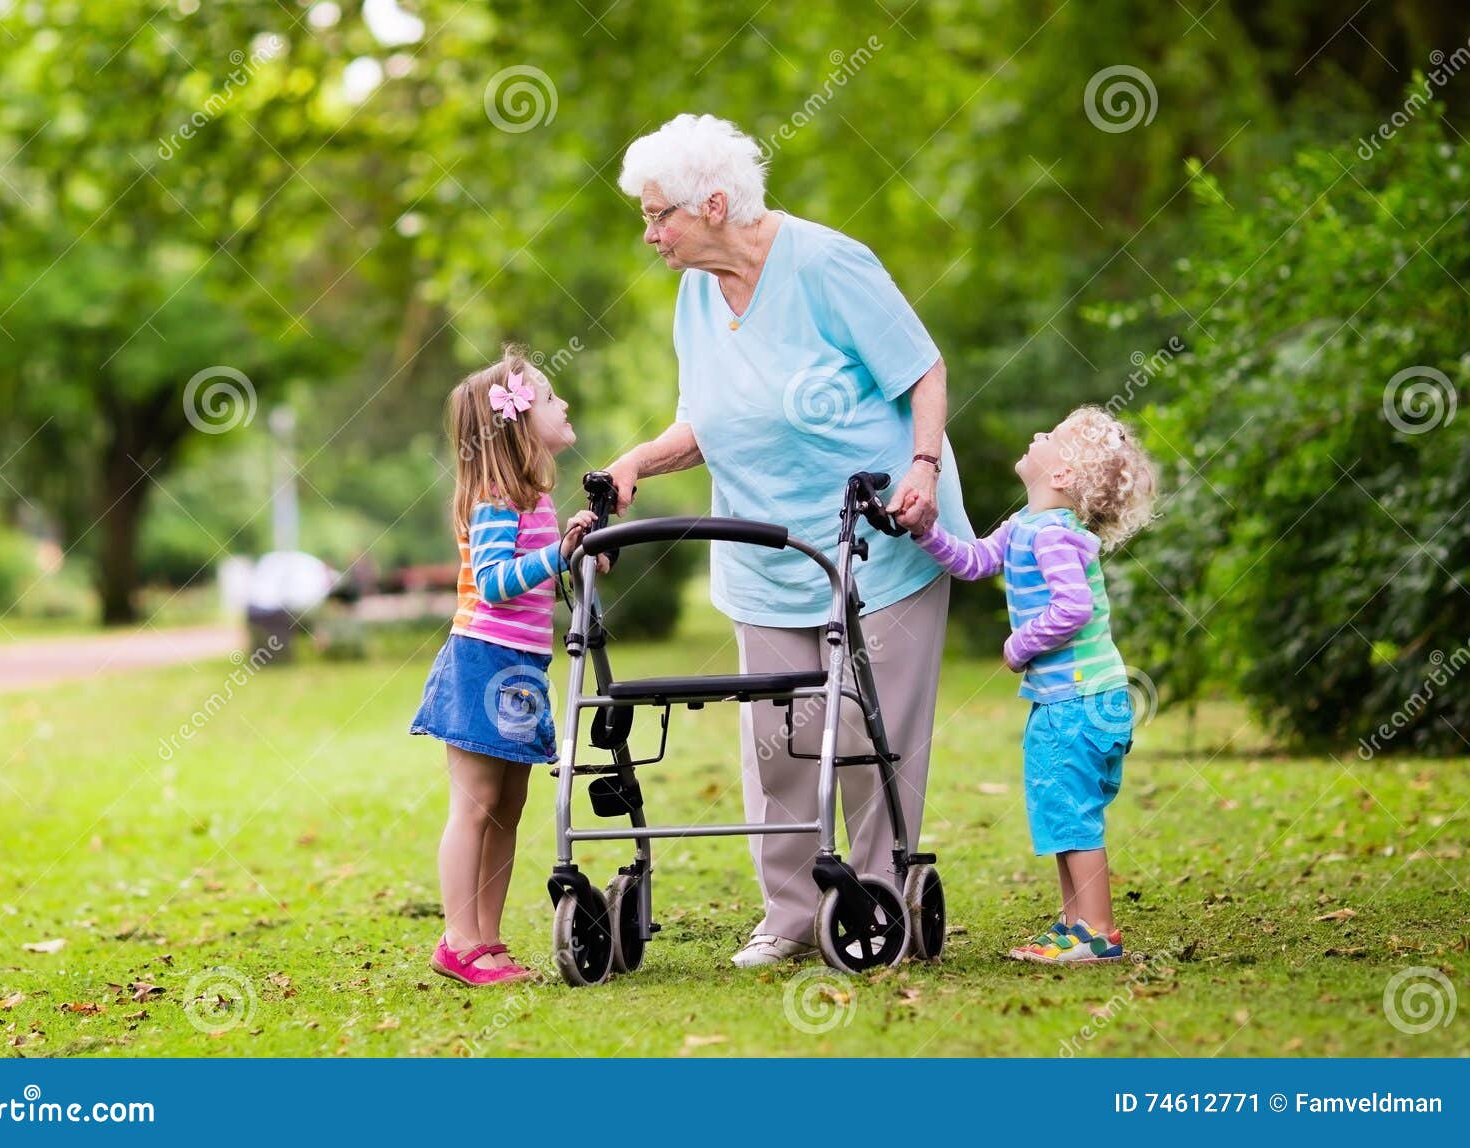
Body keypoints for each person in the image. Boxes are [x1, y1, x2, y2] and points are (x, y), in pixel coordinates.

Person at [608, 113, 974, 967]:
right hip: (766, 550)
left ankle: (879, 902)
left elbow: (923, 369)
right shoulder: (698, 290)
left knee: (870, 733)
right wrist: (635, 462)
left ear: (716, 201)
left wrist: (921, 467)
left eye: (660, 215)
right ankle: (790, 916)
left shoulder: (826, 263)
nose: (651, 234)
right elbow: (703, 422)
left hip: (876, 535)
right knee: (777, 738)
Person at [910, 405, 1158, 963]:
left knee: (1072, 814)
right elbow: (973, 562)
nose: (1038, 432)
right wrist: (927, 533)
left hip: (1081, 699)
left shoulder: (1053, 537)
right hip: (1065, 700)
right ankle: (1074, 928)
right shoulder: (1026, 526)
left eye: (1053, 436)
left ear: (1063, 475)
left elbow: (1074, 608)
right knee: (1059, 810)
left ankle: (1098, 932)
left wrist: (1019, 646)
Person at [410, 347, 601, 986]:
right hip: (482, 663)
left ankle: (486, 939)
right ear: (517, 423)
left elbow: (537, 569)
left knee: (508, 804)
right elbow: (494, 583)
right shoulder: (497, 499)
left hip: (519, 668)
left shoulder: (534, 498)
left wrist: (575, 549)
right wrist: (557, 555)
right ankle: (459, 940)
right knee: (475, 805)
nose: (563, 405)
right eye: (550, 399)